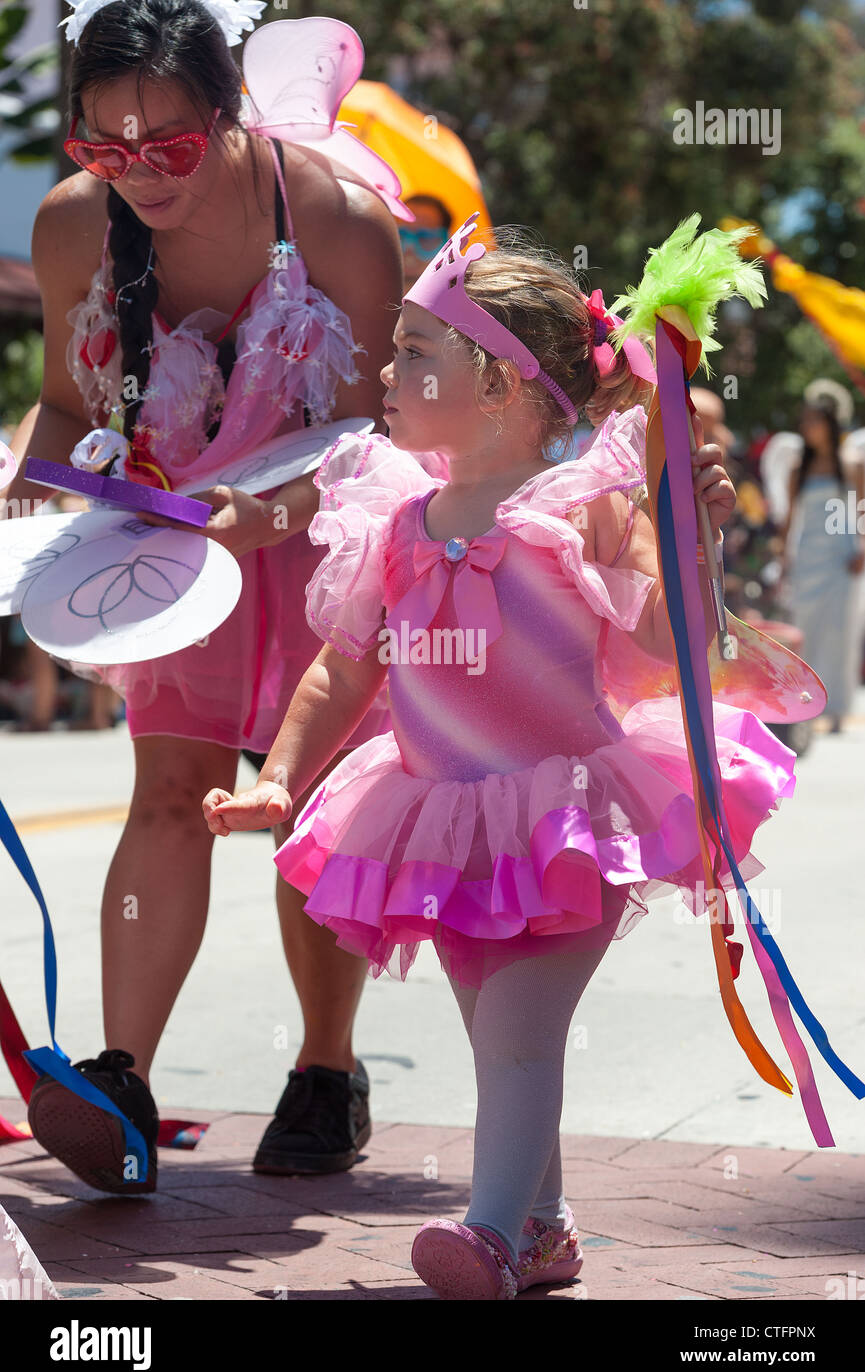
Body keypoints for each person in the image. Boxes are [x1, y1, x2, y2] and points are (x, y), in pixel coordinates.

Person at [202, 218, 797, 1299]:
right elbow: (343, 665)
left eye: (417, 352)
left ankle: (485, 1230)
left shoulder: (574, 510)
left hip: (566, 820)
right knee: (498, 1039)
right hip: (444, 822)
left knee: (519, 1035)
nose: (387, 371)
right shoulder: (396, 516)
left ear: (504, 387)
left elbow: (668, 641)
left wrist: (687, 538)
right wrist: (280, 772)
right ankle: (545, 1226)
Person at [1, 0, 405, 1192]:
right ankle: (123, 1074)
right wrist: (29, 485)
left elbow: (392, 428)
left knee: (306, 805)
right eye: (104, 149)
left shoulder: (334, 218)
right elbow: (67, 410)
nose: (138, 176)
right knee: (172, 788)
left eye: (167, 148)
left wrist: (275, 514)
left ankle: (327, 1070)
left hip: (323, 533)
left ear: (228, 115)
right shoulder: (76, 227)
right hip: (175, 544)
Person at [780, 396, 865, 733]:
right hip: (807, 557)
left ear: (829, 424)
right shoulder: (797, 467)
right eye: (805, 420)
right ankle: (807, 704)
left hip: (842, 558)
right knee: (806, 628)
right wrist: (781, 556)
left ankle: (839, 708)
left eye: (813, 419)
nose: (807, 426)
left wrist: (862, 549)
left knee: (842, 632)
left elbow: (862, 509)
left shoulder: (852, 464)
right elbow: (789, 517)